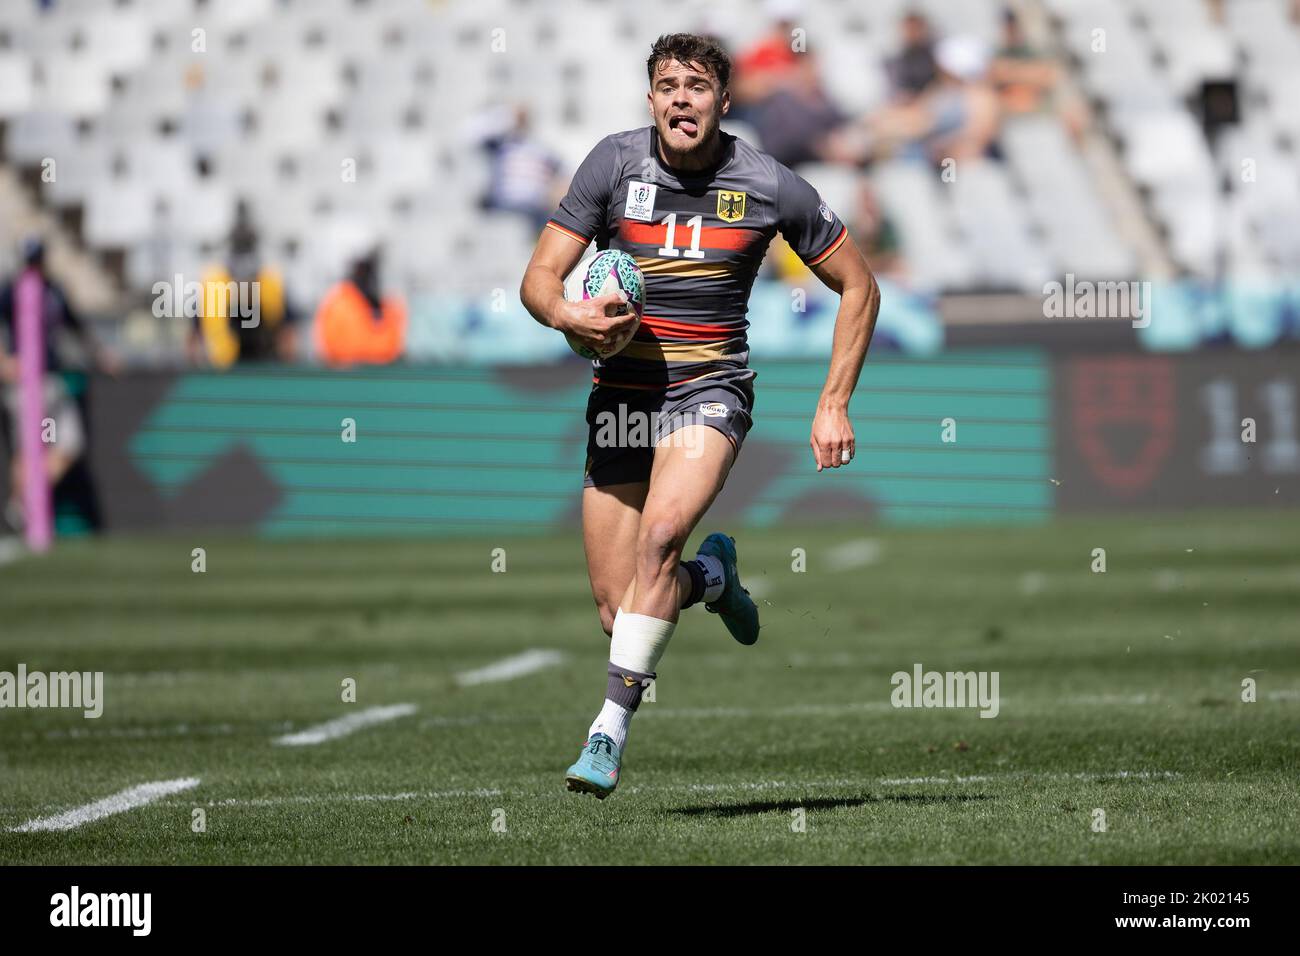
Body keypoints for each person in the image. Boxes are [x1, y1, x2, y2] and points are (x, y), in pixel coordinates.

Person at [519, 33, 881, 799]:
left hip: (707, 389)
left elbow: (859, 285)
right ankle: (712, 578)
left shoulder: (768, 183)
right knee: (619, 610)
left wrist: (833, 402)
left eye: (696, 85)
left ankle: (606, 734)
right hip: (620, 398)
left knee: (658, 538)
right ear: (650, 98)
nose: (681, 97)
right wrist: (570, 318)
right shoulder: (613, 165)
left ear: (724, 100)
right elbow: (538, 280)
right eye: (666, 85)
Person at [0, 238, 116, 532]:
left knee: (68, 444)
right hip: (25, 382)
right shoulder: (13, 290)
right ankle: (22, 506)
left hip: (52, 379)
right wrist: (4, 361)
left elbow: (76, 327)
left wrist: (101, 355)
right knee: (28, 447)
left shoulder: (53, 290)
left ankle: (21, 502)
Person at [314, 249, 407, 367]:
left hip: (381, 372)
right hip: (347, 373)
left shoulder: (388, 303)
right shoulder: (339, 302)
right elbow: (336, 348)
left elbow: (393, 345)